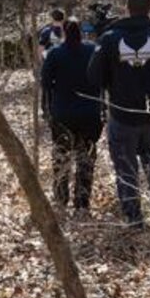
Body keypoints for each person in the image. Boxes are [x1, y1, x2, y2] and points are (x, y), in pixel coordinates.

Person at [87, 0, 150, 225]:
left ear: (127, 9)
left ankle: (133, 215)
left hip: (121, 113)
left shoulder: (110, 39)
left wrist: (111, 78)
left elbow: (93, 76)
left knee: (125, 162)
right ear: (149, 9)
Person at [41, 19, 104, 211]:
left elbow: (45, 83)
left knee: (61, 156)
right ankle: (82, 202)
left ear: (64, 33)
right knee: (86, 159)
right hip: (90, 114)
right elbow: (103, 79)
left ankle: (61, 199)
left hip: (62, 114)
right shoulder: (93, 51)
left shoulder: (55, 54)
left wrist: (47, 110)